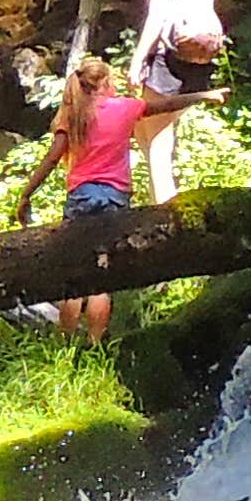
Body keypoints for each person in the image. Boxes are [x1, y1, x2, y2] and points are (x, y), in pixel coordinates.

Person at [17, 56, 203, 339]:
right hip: (115, 199)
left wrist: (27, 194)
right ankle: (95, 342)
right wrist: (202, 95)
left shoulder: (73, 115)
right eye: (112, 80)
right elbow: (165, 105)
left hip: (80, 197)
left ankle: (65, 344)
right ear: (103, 83)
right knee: (102, 276)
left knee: (75, 276)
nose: (115, 85)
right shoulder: (124, 108)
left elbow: (52, 158)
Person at [121, 0, 229, 199]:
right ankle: (162, 198)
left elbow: (157, 16)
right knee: (145, 129)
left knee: (156, 137)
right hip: (198, 59)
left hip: (168, 59)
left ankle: (164, 209)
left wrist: (137, 60)